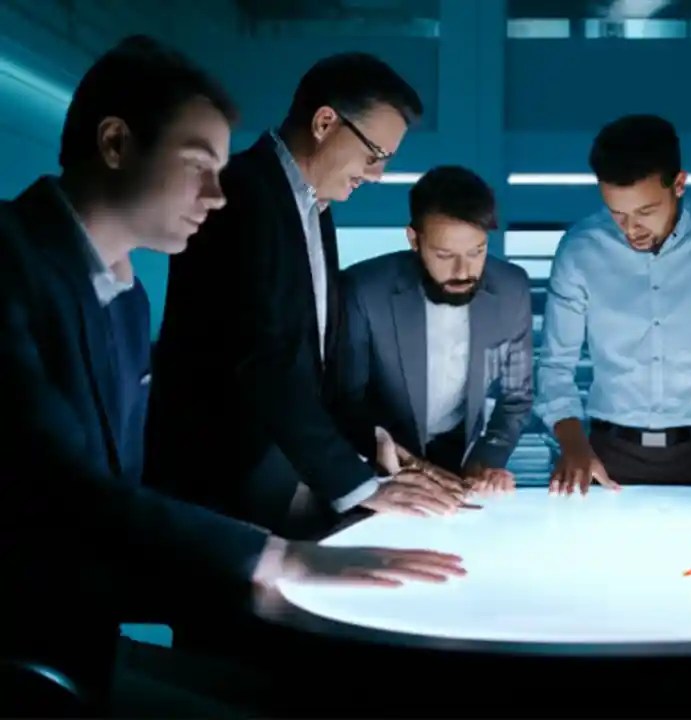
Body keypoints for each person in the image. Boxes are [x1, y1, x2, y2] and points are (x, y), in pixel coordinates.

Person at [0, 36, 465, 715]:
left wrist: (361, 462)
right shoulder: (14, 265)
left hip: (95, 620)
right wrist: (282, 551)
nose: (215, 195)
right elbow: (70, 489)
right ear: (115, 143)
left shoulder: (125, 297)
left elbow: (303, 364)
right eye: (197, 166)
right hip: (36, 641)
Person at [147, 51, 465, 537]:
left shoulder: (313, 207)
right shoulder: (241, 196)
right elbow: (262, 362)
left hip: (277, 478)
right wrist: (360, 486)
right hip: (223, 486)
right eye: (375, 155)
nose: (376, 174)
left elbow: (309, 363)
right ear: (324, 122)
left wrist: (370, 443)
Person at [535, 114, 691, 494]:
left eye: (645, 211)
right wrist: (573, 444)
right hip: (604, 453)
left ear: (680, 184)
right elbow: (555, 366)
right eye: (617, 213)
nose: (630, 228)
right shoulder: (579, 249)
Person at [333, 166, 530, 494]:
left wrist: (487, 461)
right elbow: (347, 399)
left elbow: (516, 398)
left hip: (464, 454)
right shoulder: (364, 289)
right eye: (444, 255)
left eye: (476, 252)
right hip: (384, 460)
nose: (463, 270)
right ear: (414, 239)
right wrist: (398, 463)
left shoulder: (512, 289)